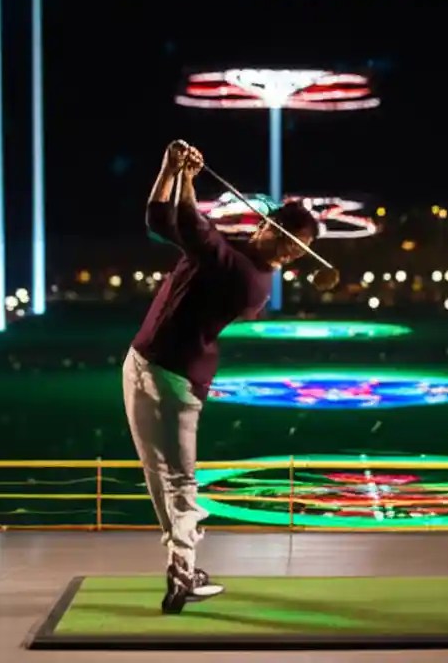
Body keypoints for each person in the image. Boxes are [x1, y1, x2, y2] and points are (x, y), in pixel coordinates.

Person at [125, 140, 320, 613]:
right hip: (141, 363)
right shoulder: (226, 250)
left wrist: (187, 177)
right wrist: (169, 167)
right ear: (268, 226)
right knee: (159, 479)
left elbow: (191, 221)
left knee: (180, 481)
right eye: (291, 241)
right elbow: (159, 219)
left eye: (302, 251)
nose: (293, 255)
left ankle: (183, 574)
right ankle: (182, 564)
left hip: (175, 382)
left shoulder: (248, 279)